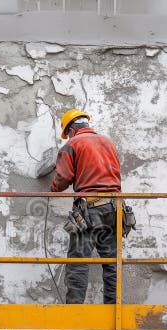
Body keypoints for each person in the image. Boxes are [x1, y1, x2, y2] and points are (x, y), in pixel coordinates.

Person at [50, 109, 122, 304]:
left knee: (78, 263)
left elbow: (64, 178)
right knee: (111, 263)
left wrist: (54, 187)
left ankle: (75, 312)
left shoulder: (72, 144)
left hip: (89, 210)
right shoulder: (108, 142)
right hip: (114, 208)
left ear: (72, 130)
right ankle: (113, 311)